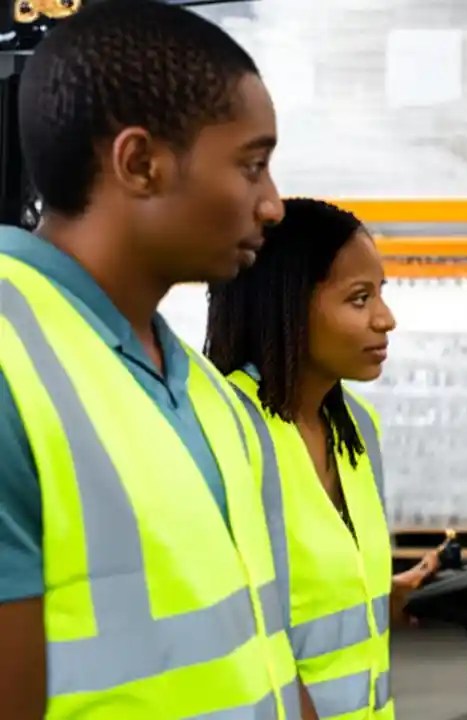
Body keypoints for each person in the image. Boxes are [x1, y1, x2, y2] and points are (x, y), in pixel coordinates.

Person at [0, 1, 299, 718]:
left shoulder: (205, 393)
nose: (273, 205)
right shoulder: (12, 364)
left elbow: (263, 658)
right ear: (139, 163)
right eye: (252, 165)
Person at [204, 197, 442, 720]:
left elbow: (310, 594)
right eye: (359, 299)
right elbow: (230, 626)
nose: (386, 319)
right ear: (287, 305)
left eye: (382, 294)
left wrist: (380, 597)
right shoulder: (224, 429)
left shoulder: (357, 428)